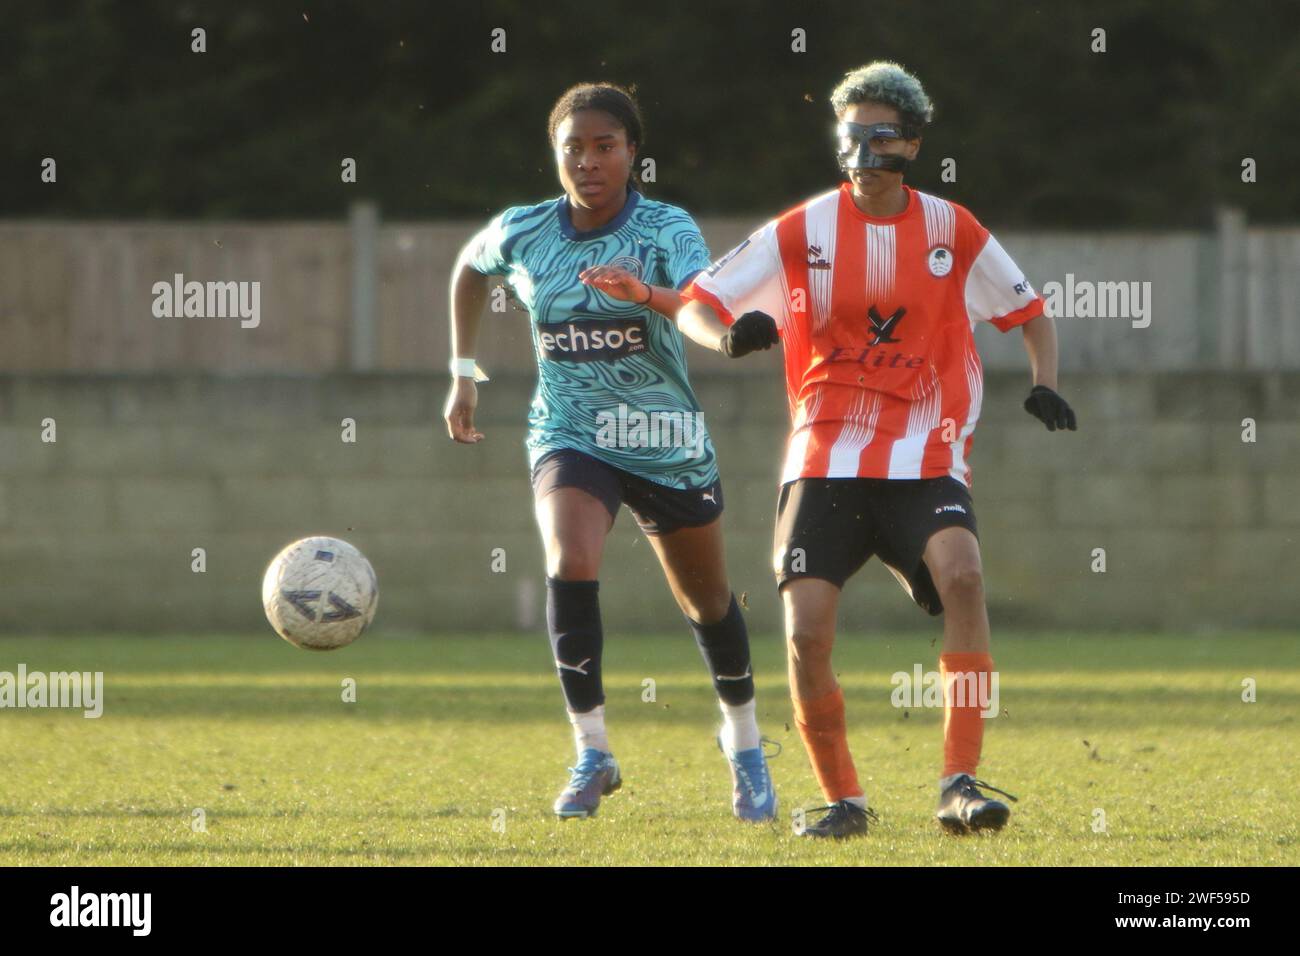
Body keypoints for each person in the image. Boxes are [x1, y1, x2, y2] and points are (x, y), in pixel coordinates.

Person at [675, 62, 1076, 838]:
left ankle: (959, 783)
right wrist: (727, 337)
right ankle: (844, 801)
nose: (863, 149)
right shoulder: (804, 228)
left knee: (964, 577)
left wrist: (1044, 384)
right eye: (850, 134)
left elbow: (1031, 312)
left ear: (912, 144)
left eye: (880, 134)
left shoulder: (952, 228)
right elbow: (696, 303)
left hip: (924, 453)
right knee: (805, 633)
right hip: (824, 456)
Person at [444, 83, 777, 822]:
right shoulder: (526, 230)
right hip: (569, 430)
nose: (588, 162)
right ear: (555, 154)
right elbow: (469, 268)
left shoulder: (665, 227)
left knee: (707, 601)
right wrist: (463, 372)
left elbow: (697, 305)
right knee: (570, 558)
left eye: (605, 147)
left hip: (665, 439)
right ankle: (592, 752)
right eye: (574, 148)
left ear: (633, 153)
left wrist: (674, 312)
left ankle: (745, 743)